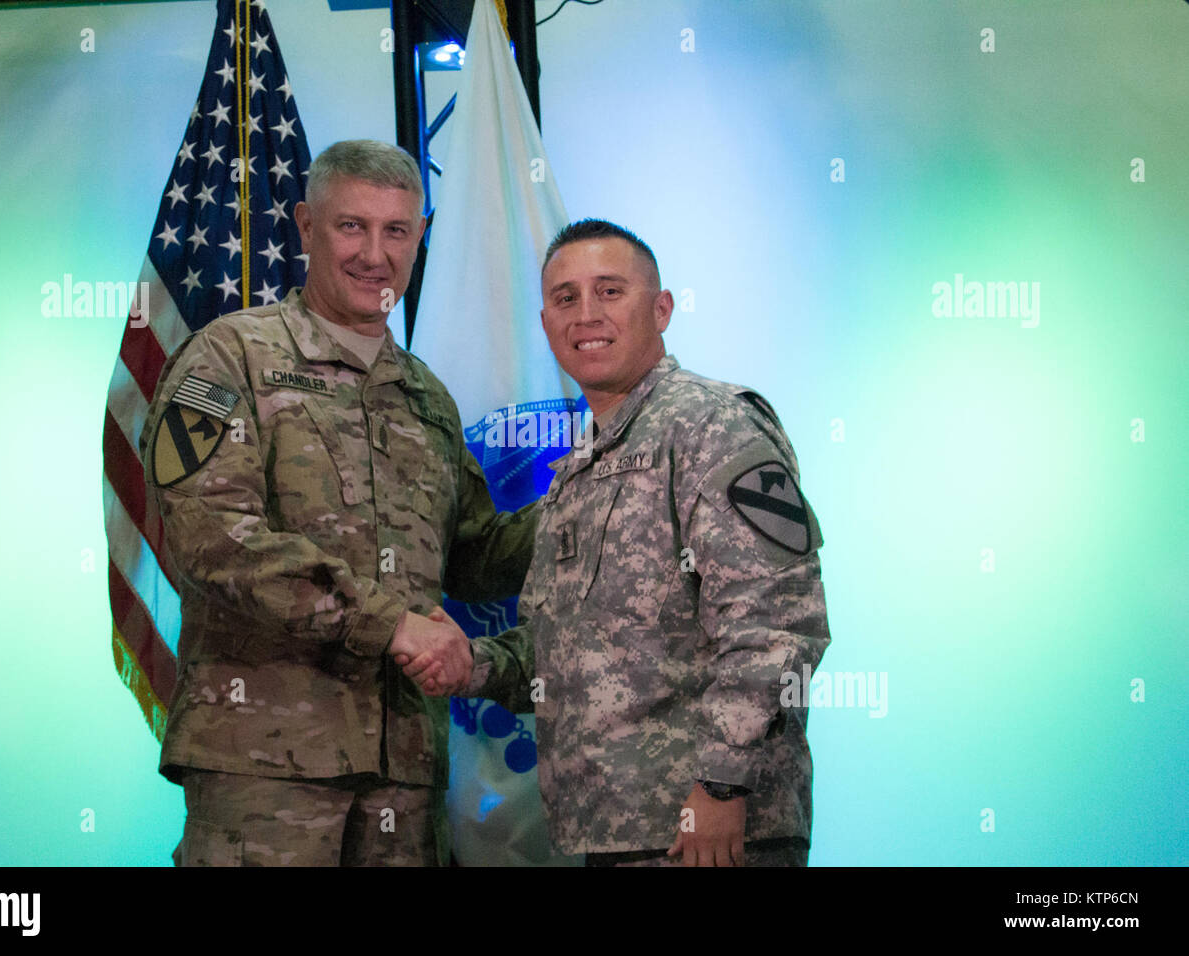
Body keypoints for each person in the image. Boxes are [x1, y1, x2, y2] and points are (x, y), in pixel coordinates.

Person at [141, 140, 534, 866]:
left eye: (396, 231)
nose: (374, 255)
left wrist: (595, 489)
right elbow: (212, 542)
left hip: (404, 781)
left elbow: (477, 558)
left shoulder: (427, 398)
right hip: (264, 772)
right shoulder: (229, 358)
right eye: (351, 226)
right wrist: (391, 628)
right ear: (305, 225)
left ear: (422, 235)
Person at [400, 219, 832, 867]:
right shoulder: (581, 469)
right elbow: (573, 655)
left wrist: (719, 783)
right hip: (613, 831)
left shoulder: (710, 425)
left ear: (661, 310)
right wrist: (476, 664)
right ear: (545, 323)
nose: (587, 314)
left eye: (610, 291)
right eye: (566, 298)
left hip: (708, 830)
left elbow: (780, 627)